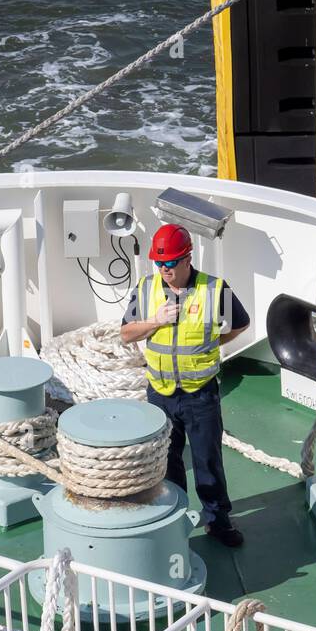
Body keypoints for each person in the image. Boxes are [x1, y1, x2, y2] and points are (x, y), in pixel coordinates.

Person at [120, 224, 249, 547]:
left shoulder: (215, 289)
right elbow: (126, 333)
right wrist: (156, 321)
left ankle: (218, 521)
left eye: (170, 263)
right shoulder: (146, 289)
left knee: (207, 460)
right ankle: (175, 519)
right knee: (167, 462)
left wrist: (213, 343)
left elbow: (241, 323)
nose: (164, 270)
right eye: (159, 264)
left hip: (199, 393)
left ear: (187, 258)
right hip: (160, 393)